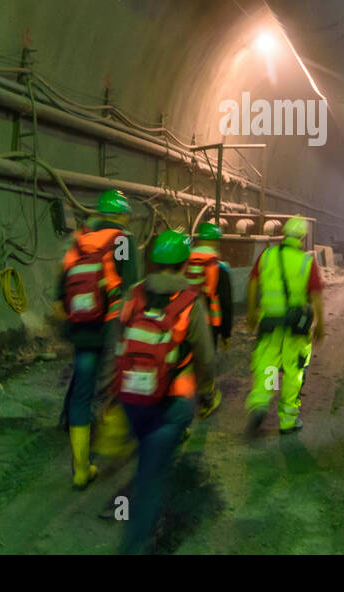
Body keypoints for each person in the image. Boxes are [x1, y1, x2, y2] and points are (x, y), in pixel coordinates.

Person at [113, 229, 220, 554]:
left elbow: (117, 341)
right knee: (152, 474)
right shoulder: (189, 300)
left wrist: (110, 392)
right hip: (172, 403)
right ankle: (136, 544)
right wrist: (207, 392)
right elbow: (205, 357)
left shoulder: (133, 294)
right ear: (184, 263)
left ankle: (136, 513)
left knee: (147, 457)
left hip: (132, 397)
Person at [55, 189, 137, 489]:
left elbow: (59, 294)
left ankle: (80, 469)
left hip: (81, 327)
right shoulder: (123, 241)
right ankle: (114, 443)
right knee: (115, 383)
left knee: (81, 393)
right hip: (112, 325)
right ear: (122, 214)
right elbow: (130, 290)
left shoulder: (76, 242)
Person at [244, 215, 325, 436]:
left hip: (269, 323)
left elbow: (252, 283)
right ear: (303, 237)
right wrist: (320, 324)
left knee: (268, 365)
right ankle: (288, 420)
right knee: (293, 370)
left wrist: (252, 313)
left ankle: (261, 401)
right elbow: (316, 295)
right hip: (295, 328)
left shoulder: (267, 255)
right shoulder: (306, 262)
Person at [184, 221, 234, 355]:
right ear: (216, 241)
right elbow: (225, 302)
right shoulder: (219, 267)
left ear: (199, 240)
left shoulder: (184, 260)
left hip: (183, 320)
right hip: (209, 324)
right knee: (205, 362)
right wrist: (226, 333)